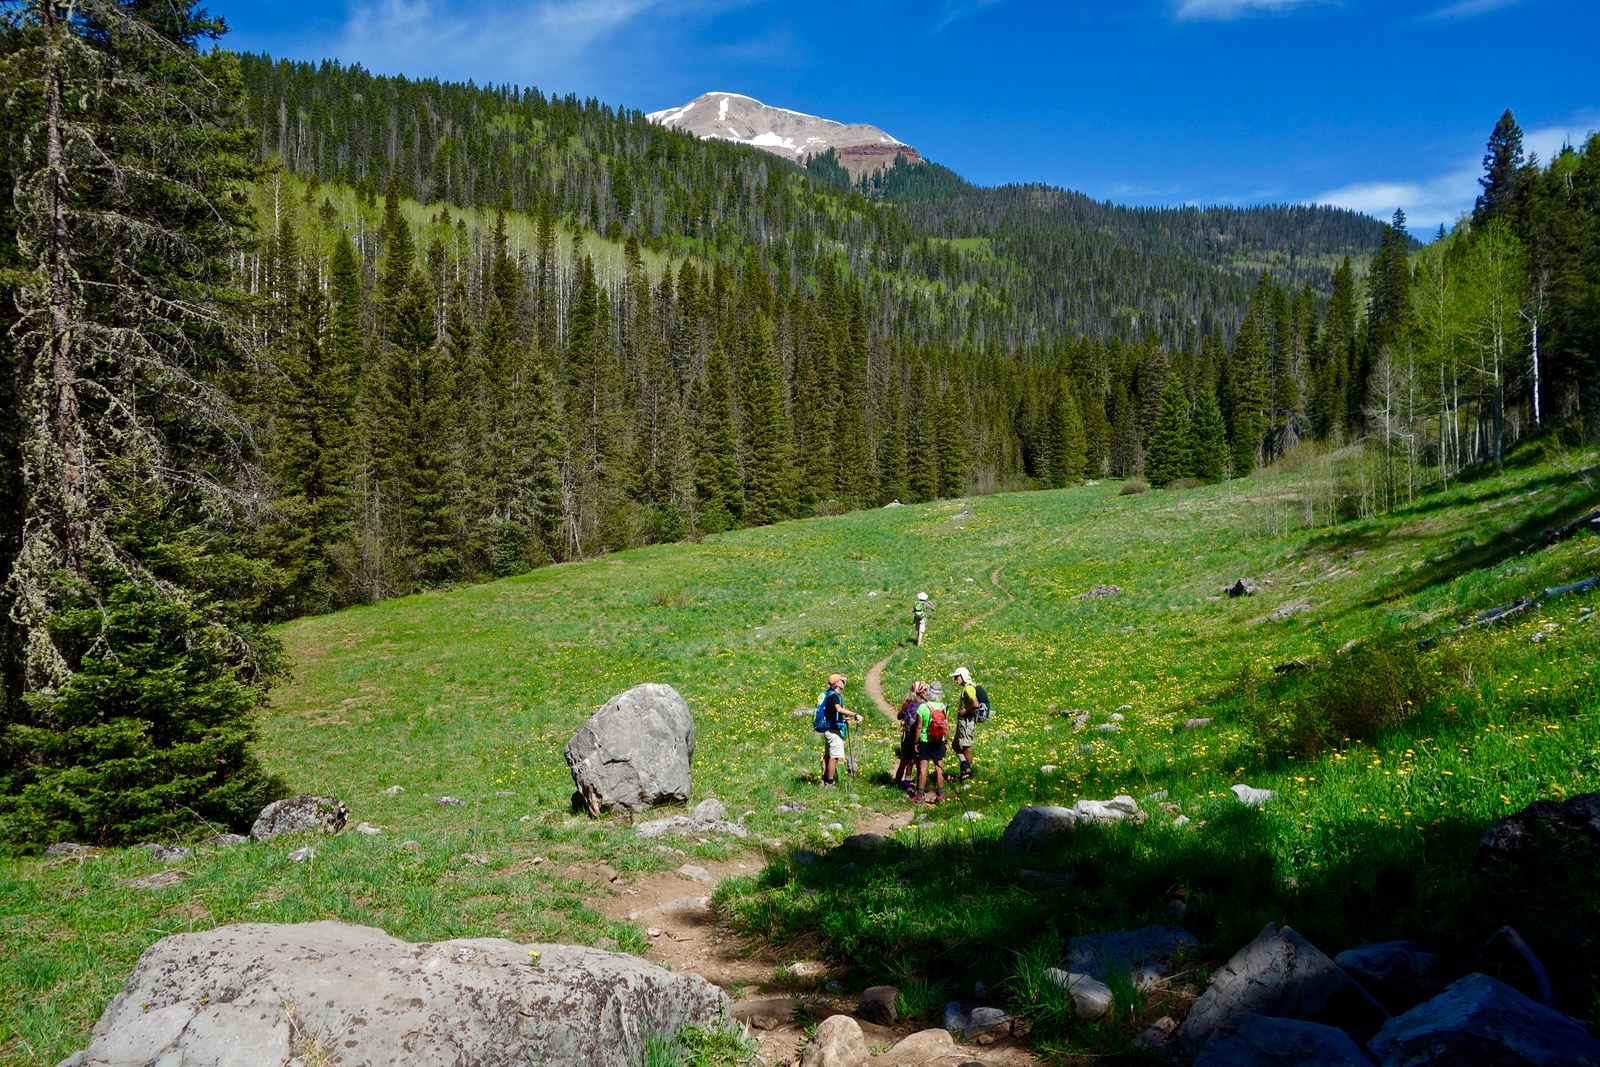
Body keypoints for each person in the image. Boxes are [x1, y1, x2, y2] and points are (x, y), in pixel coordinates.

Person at [819, 673, 863, 787]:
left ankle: (824, 779)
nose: (844, 683)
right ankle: (830, 782)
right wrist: (855, 714)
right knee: (834, 757)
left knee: (827, 755)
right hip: (834, 731)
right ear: (837, 683)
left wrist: (842, 720)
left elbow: (831, 713)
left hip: (828, 729)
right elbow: (838, 709)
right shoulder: (834, 696)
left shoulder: (829, 694)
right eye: (842, 681)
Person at [913, 681, 947, 804]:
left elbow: (918, 727)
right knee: (939, 768)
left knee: (923, 769)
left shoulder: (923, 707)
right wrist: (946, 742)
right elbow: (946, 727)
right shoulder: (943, 707)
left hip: (925, 740)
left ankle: (919, 796)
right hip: (939, 741)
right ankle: (940, 795)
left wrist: (916, 742)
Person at [892, 681, 928, 791]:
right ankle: (916, 787)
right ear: (921, 692)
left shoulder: (907, 702)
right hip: (920, 736)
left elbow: (899, 717)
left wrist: (903, 709)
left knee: (904, 761)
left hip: (907, 736)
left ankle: (898, 783)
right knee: (917, 762)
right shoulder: (925, 704)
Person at [951, 666, 980, 780]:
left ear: (963, 676)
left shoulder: (968, 688)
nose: (955, 679)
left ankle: (968, 773)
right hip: (963, 721)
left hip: (967, 721)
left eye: (957, 677)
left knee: (966, 747)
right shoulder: (967, 688)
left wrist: (965, 712)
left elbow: (975, 704)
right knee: (955, 744)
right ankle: (965, 767)